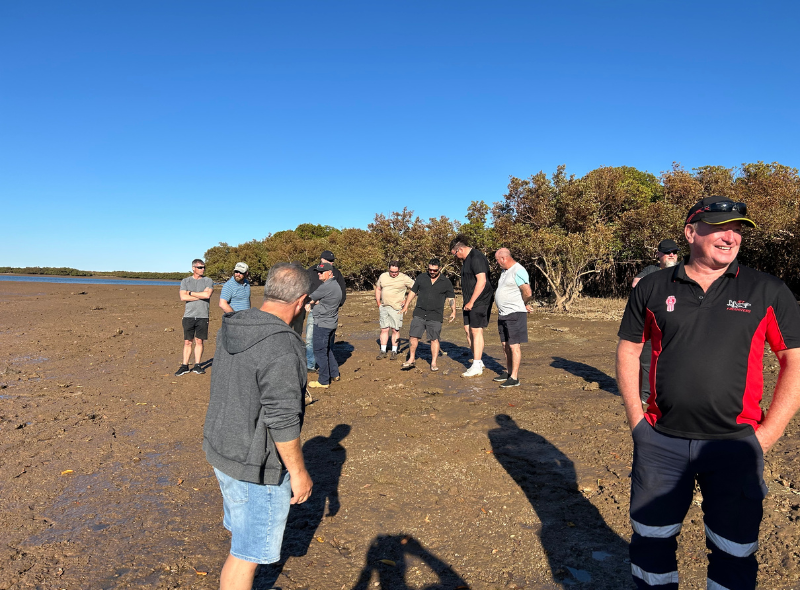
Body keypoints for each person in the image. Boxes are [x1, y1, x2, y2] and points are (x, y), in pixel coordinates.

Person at [616, 196, 800, 590]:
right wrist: (637, 421)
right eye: (720, 227)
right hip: (661, 442)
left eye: (737, 229)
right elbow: (629, 350)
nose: (731, 236)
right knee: (651, 543)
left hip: (735, 445)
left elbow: (795, 362)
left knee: (734, 552)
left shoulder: (768, 289)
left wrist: (768, 434)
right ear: (690, 232)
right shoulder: (652, 287)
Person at [202, 263, 313, 590]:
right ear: (301, 300)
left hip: (222, 448)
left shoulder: (235, 324)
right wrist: (299, 473)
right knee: (245, 555)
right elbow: (282, 418)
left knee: (242, 541)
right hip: (254, 466)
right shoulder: (281, 344)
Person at [631, 239, 680, 405]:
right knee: (647, 361)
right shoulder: (651, 270)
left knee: (675, 359)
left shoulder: (685, 270)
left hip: (676, 325)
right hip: (651, 323)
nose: (671, 255)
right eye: (667, 252)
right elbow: (636, 284)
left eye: (674, 252)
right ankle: (646, 396)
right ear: (658, 254)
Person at [400, 258, 456, 371]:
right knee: (413, 336)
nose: (432, 272)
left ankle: (433, 363)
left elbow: (451, 297)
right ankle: (411, 359)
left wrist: (453, 311)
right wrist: (406, 305)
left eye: (434, 270)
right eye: (430, 269)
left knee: (434, 339)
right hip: (419, 313)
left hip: (435, 315)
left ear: (439, 269)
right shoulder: (421, 277)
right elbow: (413, 292)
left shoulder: (446, 282)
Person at [450, 234, 493, 377]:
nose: (455, 257)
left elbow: (482, 281)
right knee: (467, 329)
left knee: (476, 330)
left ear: (460, 249)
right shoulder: (466, 260)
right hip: (469, 301)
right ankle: (478, 360)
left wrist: (472, 301)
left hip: (479, 300)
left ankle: (476, 364)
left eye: (454, 254)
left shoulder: (476, 257)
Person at [493, 248, 532, 388]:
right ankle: (509, 372)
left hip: (514, 313)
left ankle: (514, 378)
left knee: (514, 345)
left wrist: (523, 304)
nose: (497, 263)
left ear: (503, 258)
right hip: (503, 313)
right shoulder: (505, 272)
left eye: (497, 260)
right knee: (505, 345)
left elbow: (527, 292)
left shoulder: (518, 270)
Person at [304, 251, 346, 371]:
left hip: (330, 312)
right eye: (329, 260)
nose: (332, 263)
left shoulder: (336, 273)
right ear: (322, 259)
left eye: (333, 261)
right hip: (314, 311)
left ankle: (326, 366)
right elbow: (305, 289)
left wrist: (334, 305)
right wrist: (310, 302)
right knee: (310, 339)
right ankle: (311, 365)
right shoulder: (311, 271)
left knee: (328, 341)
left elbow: (342, 292)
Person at [175, 259, 214, 376]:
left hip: (203, 316)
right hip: (189, 316)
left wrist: (190, 293)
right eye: (200, 267)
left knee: (199, 341)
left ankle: (197, 365)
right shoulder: (185, 281)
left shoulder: (208, 280)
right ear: (193, 268)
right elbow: (182, 297)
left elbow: (207, 294)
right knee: (188, 341)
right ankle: (184, 365)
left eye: (203, 267)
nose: (202, 269)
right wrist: (200, 295)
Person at [308, 262, 343, 389]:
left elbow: (309, 298)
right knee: (327, 349)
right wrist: (317, 302)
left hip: (322, 324)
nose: (319, 274)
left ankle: (323, 381)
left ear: (330, 273)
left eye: (321, 272)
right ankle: (334, 373)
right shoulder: (334, 285)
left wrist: (312, 303)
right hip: (330, 323)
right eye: (318, 271)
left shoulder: (326, 286)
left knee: (319, 351)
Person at [374, 261, 414, 360]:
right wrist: (378, 302)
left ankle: (394, 351)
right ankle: (383, 350)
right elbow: (378, 289)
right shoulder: (383, 276)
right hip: (384, 307)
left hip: (396, 308)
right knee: (384, 329)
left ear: (399, 270)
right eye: (392, 271)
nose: (394, 274)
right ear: (389, 269)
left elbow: (415, 288)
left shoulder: (404, 278)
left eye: (396, 272)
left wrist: (406, 300)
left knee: (395, 330)